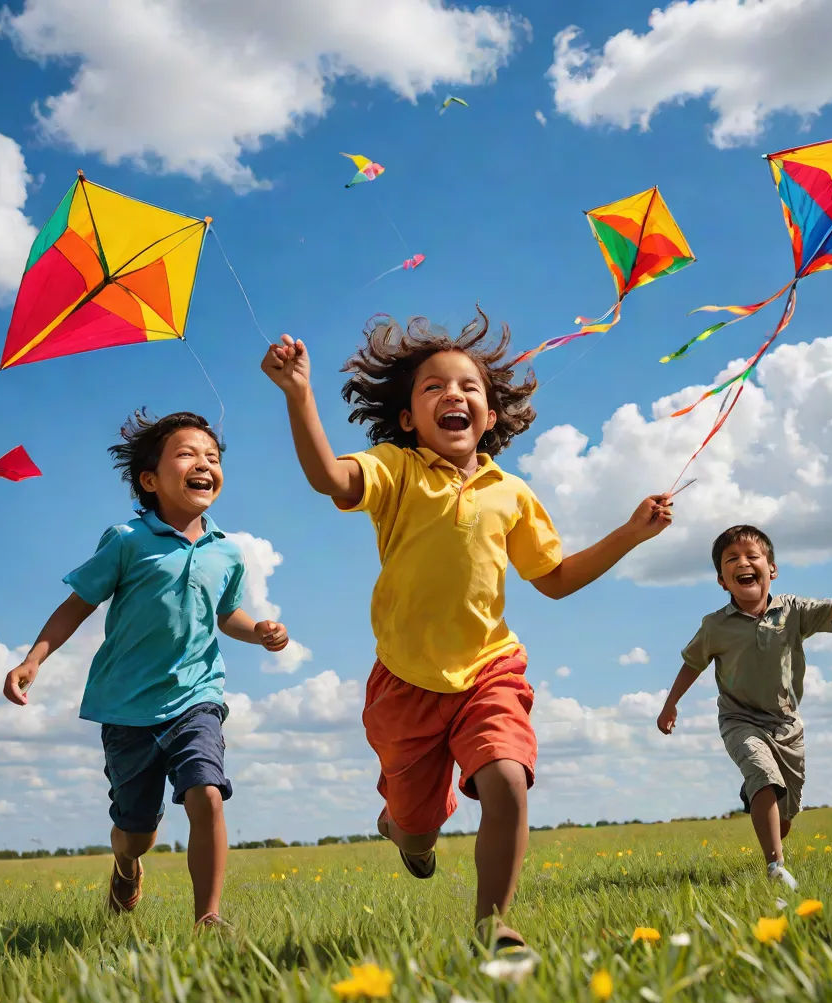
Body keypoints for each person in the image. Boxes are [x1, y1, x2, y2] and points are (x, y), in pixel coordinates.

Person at [261, 308, 673, 952]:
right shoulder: (394, 469)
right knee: (419, 831)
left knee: (507, 777)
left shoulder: (511, 492)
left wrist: (629, 532)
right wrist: (299, 394)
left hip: (490, 667)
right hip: (406, 682)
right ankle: (403, 828)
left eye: (468, 387)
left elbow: (556, 578)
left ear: (490, 413)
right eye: (433, 388)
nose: (453, 394)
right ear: (407, 419)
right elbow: (330, 480)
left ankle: (493, 925)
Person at [3, 411, 289, 929]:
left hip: (196, 696)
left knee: (206, 792)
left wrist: (260, 631)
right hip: (126, 707)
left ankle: (208, 918)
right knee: (136, 829)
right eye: (187, 454)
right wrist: (33, 658)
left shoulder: (228, 551)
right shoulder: (127, 540)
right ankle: (126, 864)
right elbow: (78, 604)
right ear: (150, 480)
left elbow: (228, 616)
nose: (204, 463)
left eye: (213, 457)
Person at [657, 524, 832, 889]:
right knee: (763, 774)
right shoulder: (715, 625)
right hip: (739, 720)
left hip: (785, 725)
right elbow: (693, 663)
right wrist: (670, 704)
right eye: (732, 559)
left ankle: (762, 805)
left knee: (783, 818)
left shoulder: (794, 611)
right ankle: (775, 868)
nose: (743, 562)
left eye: (752, 556)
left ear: (772, 570)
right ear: (722, 580)